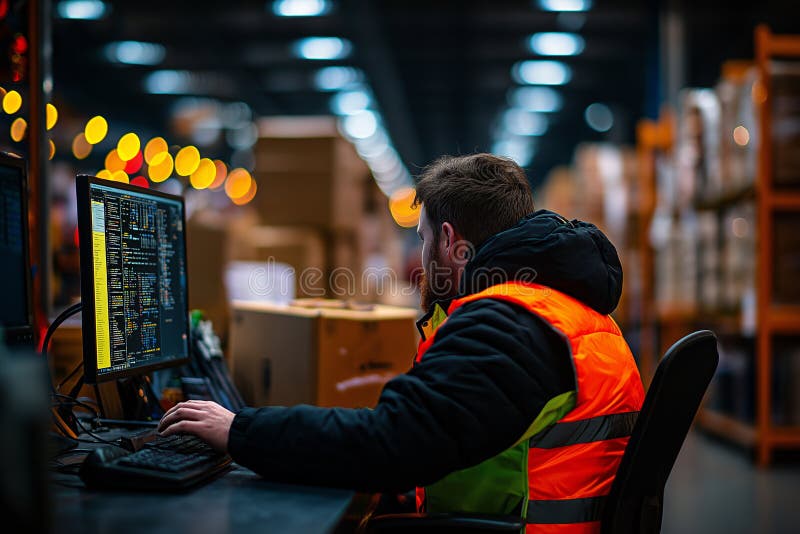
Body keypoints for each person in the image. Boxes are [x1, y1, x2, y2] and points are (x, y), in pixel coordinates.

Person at [159, 153, 644, 531]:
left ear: (452, 243)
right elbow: (428, 432)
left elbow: (389, 445)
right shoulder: (561, 309)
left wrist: (241, 430)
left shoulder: (507, 325)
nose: (418, 254)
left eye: (422, 237)